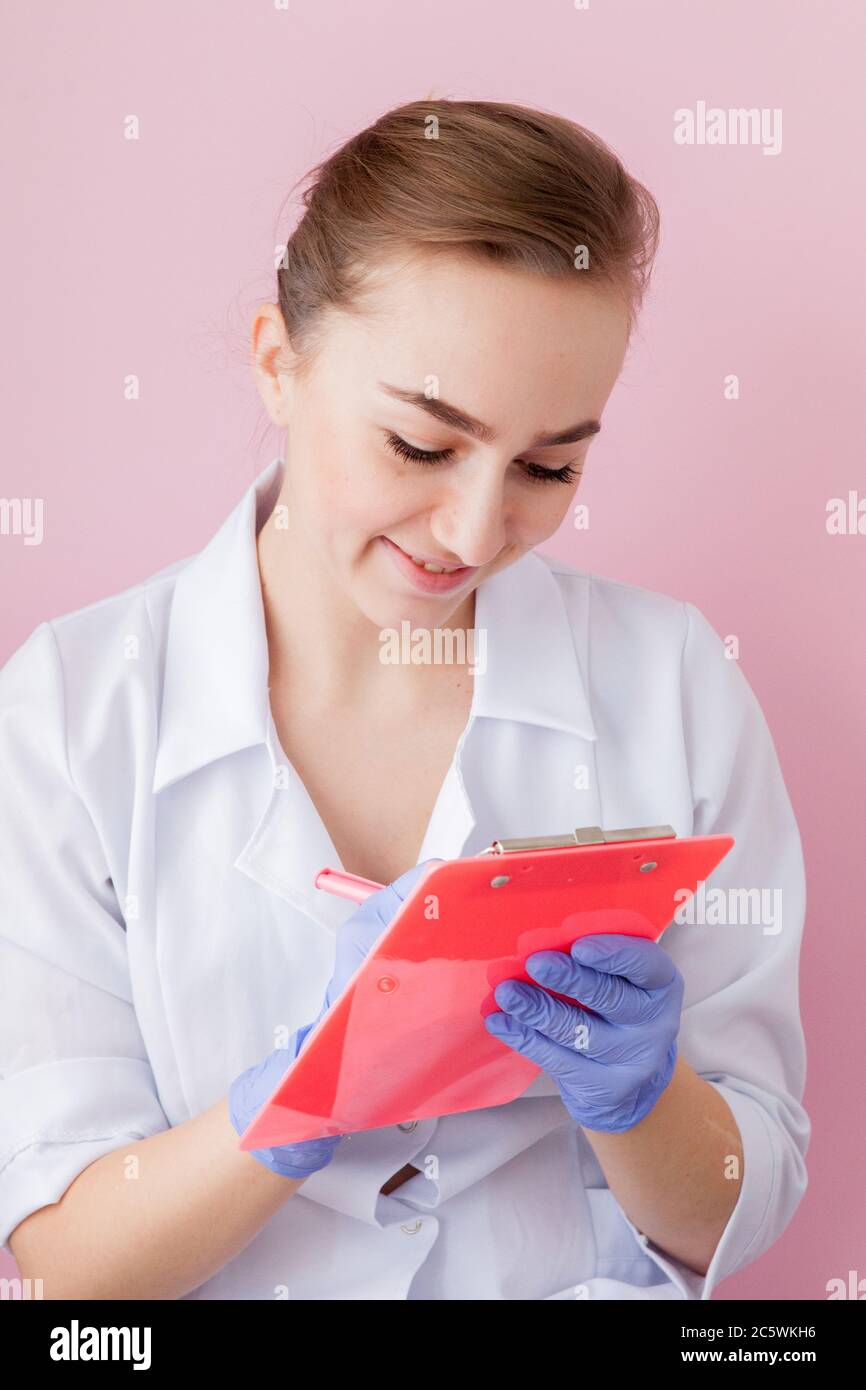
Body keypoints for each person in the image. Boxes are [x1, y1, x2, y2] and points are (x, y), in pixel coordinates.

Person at [0, 98, 808, 1300]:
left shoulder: (673, 680)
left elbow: (740, 1203)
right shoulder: (72, 710)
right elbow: (69, 1266)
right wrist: (305, 1091)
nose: (477, 530)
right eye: (422, 447)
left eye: (549, 467)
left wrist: (643, 1100)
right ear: (279, 362)